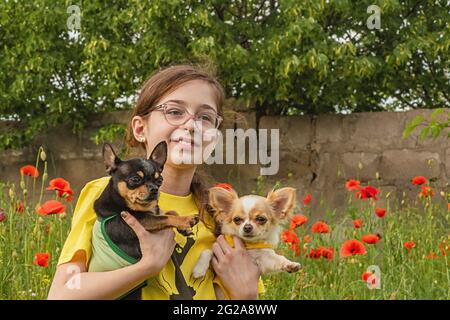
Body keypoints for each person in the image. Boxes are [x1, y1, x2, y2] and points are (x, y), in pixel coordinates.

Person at [48, 64, 263, 300]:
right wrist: (147, 267)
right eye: (174, 112)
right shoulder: (106, 194)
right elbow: (62, 295)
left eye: (205, 117)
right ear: (141, 128)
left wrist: (247, 295)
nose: (192, 125)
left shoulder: (225, 213)